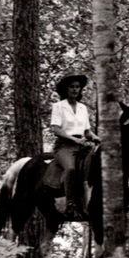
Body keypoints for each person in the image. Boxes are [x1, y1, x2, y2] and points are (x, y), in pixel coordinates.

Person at [44, 73, 99, 216]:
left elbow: (87, 132)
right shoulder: (59, 106)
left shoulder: (83, 108)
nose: (75, 89)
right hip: (64, 146)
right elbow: (56, 130)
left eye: (78, 87)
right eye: (72, 87)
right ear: (66, 89)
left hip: (82, 145)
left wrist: (96, 138)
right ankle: (70, 205)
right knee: (71, 169)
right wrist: (74, 140)